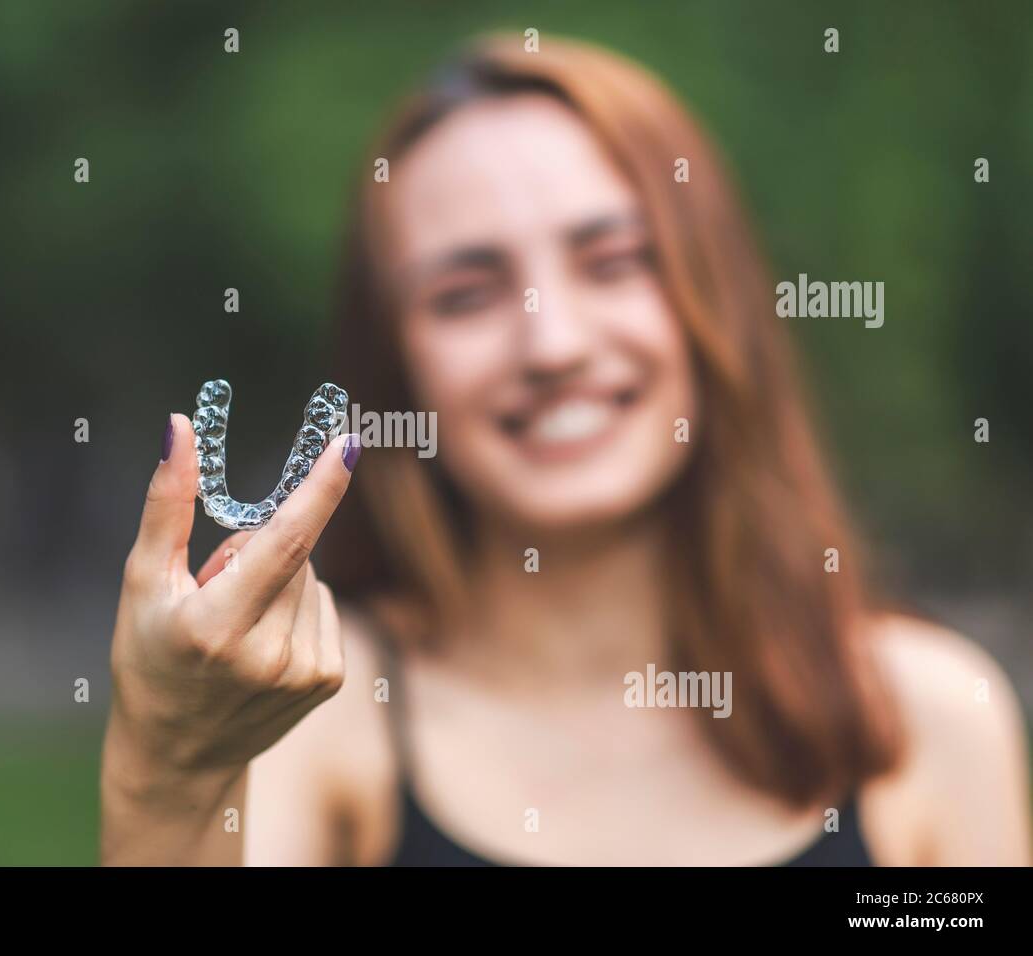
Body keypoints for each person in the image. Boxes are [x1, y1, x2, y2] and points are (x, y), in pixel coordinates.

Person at [100, 35, 1030, 866]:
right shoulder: (315, 719)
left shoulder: (929, 721)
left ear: (718, 297)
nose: (552, 345)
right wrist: (172, 770)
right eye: (466, 293)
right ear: (396, 370)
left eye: (614, 261)